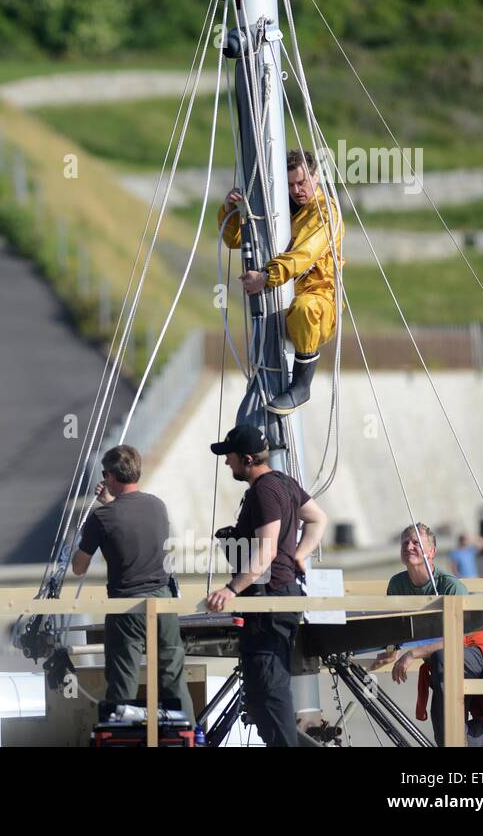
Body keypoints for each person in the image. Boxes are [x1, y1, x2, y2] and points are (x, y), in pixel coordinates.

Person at [204, 424, 327, 747]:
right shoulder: (284, 484)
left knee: (270, 693)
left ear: (246, 458)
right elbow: (317, 518)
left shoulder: (264, 490)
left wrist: (230, 589)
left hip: (269, 601)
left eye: (229, 457)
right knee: (260, 696)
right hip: (276, 598)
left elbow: (266, 551)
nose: (226, 463)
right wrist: (300, 555)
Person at [70, 444, 193, 718]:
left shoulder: (102, 517)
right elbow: (130, 521)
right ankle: (190, 735)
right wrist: (110, 505)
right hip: (164, 600)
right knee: (172, 676)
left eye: (104, 473)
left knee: (123, 679)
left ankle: (123, 736)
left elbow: (79, 567)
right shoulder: (157, 506)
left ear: (112, 476)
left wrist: (103, 512)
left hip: (127, 605)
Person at [377, 523, 483, 747]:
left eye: (417, 542)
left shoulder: (450, 586)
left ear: (432, 552)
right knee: (450, 743)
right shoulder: (397, 584)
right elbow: (393, 627)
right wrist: (390, 651)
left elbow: (459, 638)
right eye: (405, 542)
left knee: (442, 657)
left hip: (472, 651)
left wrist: (412, 654)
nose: (409, 546)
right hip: (441, 663)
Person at [219, 148, 344, 415]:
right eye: (290, 185)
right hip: (277, 302)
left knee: (304, 308)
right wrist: (230, 210)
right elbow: (234, 240)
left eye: (302, 182)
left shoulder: (326, 212)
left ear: (316, 176)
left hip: (318, 300)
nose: (297, 190)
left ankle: (302, 385)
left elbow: (305, 253)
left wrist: (266, 277)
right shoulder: (277, 208)